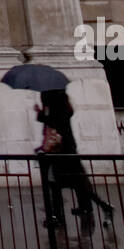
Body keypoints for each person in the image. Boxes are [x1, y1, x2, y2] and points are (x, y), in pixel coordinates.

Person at [35, 90, 94, 227]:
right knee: (78, 182)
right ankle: (86, 207)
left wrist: (41, 111)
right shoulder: (64, 105)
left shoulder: (55, 106)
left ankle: (58, 216)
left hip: (59, 151)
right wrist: (41, 112)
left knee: (55, 184)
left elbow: (52, 122)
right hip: (67, 150)